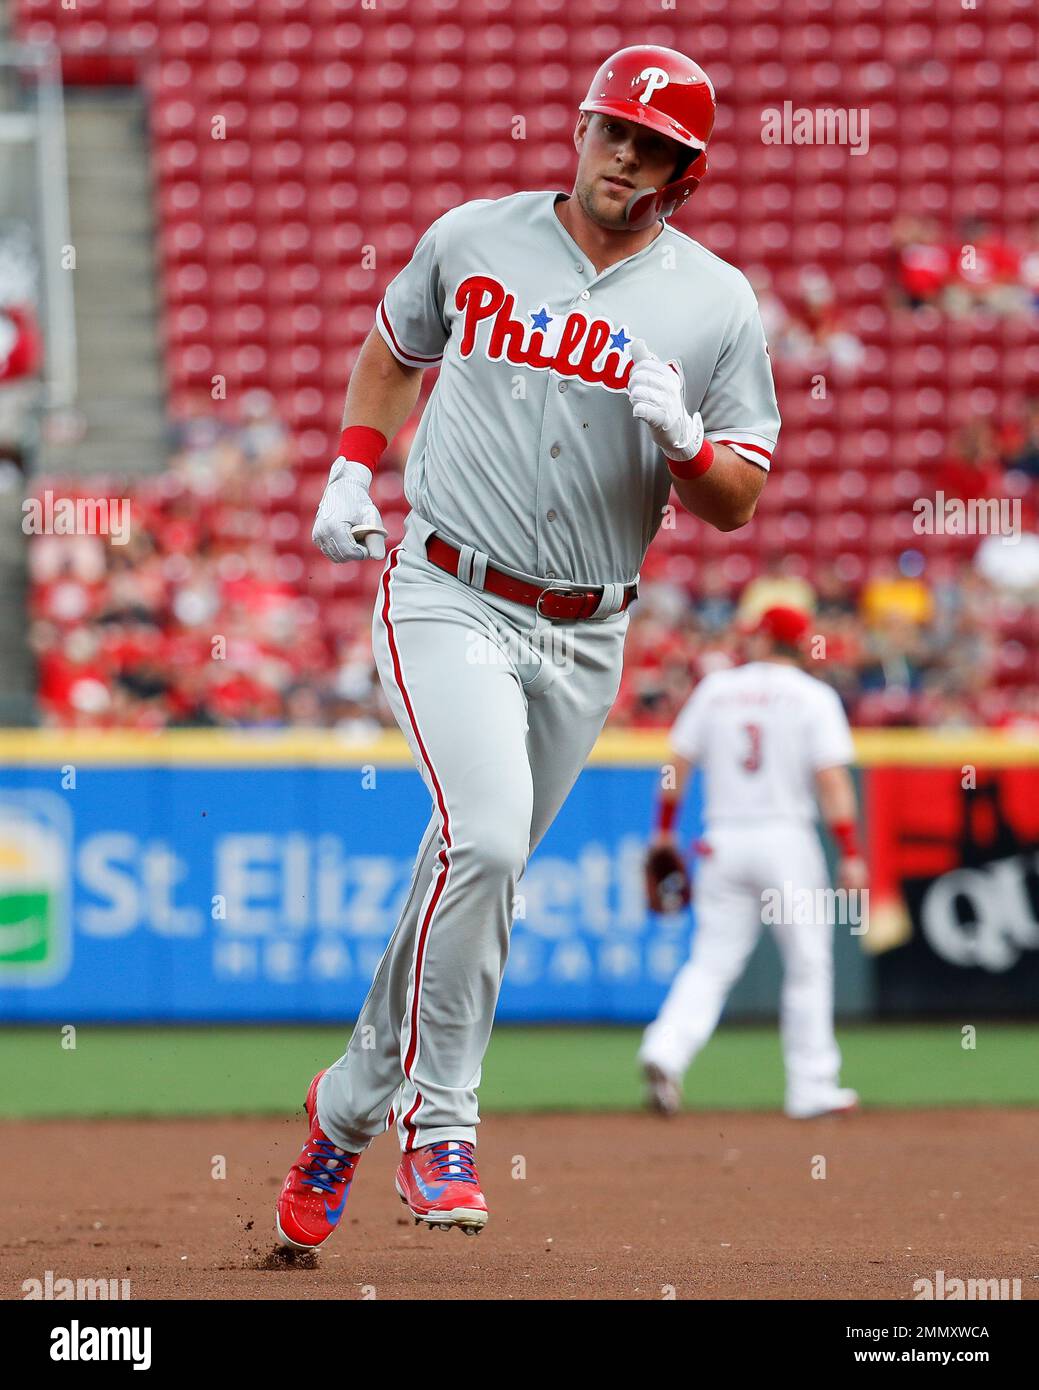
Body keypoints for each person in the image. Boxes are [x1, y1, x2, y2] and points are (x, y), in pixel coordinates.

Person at [273, 45, 780, 1251]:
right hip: (445, 589)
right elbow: (395, 351)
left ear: (683, 173)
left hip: (587, 627)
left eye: (652, 144)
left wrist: (685, 442)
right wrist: (352, 461)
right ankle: (439, 1120)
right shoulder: (473, 237)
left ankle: (343, 1109)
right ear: (580, 126)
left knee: (465, 864)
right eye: (613, 127)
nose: (624, 153)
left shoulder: (715, 302)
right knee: (489, 838)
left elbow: (737, 498)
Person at [639, 606, 865, 1119]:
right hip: (786, 839)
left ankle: (665, 1049)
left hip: (724, 840)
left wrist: (663, 831)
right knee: (808, 963)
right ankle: (811, 1087)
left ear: (765, 640)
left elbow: (676, 766)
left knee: (712, 962)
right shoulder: (814, 695)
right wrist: (850, 851)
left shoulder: (717, 689)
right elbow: (832, 780)